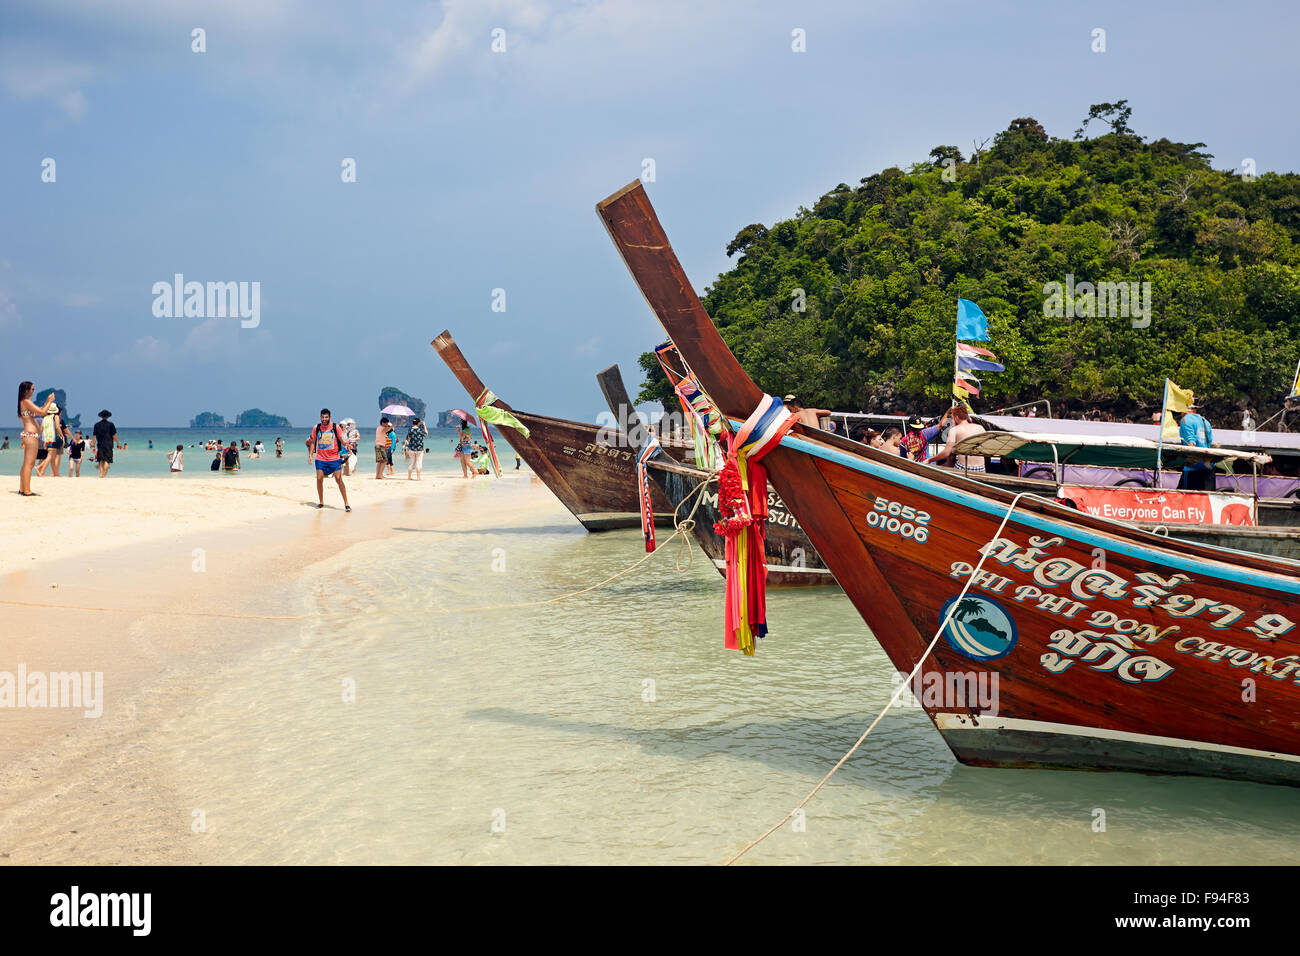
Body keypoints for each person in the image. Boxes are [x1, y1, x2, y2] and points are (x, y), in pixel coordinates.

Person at [306, 408, 351, 511]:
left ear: (329, 417)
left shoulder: (335, 427)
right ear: (320, 417)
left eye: (326, 417)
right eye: (322, 417)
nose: (324, 419)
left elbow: (341, 439)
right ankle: (321, 502)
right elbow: (313, 442)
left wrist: (346, 445)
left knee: (338, 479)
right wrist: (310, 455)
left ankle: (346, 503)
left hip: (334, 458)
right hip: (320, 458)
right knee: (319, 478)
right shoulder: (316, 428)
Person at [17, 382, 56, 496]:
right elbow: (43, 413)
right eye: (32, 389)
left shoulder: (23, 403)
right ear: (26, 390)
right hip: (31, 435)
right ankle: (27, 490)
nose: (33, 391)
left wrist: (46, 403)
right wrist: (49, 401)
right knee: (29, 463)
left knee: (26, 463)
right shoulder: (26, 402)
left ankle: (22, 488)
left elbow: (40, 410)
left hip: (29, 434)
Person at [1174, 404, 1215, 491]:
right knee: (1206, 500)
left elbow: (1191, 443)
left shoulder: (1186, 420)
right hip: (1208, 468)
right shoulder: (1206, 422)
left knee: (1185, 499)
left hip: (1193, 469)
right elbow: (1209, 444)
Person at [936, 404, 987, 473]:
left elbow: (946, 452)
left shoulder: (954, 430)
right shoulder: (980, 428)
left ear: (956, 417)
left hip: (963, 468)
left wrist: (929, 460)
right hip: (981, 468)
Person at [92, 409, 117, 478]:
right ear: (108, 417)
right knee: (107, 461)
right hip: (109, 445)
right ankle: (104, 474)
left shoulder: (96, 425)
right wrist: (118, 443)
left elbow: (94, 436)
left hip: (100, 445)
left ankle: (101, 473)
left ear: (101, 416)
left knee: (100, 461)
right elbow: (114, 435)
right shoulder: (111, 425)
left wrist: (93, 445)